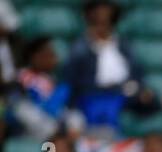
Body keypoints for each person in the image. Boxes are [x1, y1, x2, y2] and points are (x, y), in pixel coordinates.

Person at [60, 0, 156, 133]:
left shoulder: (123, 45)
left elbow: (136, 71)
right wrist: (93, 43)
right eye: (97, 22)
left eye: (106, 22)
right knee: (101, 106)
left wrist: (142, 89)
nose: (102, 26)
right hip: (93, 93)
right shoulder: (81, 47)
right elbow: (71, 76)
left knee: (149, 98)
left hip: (125, 93)